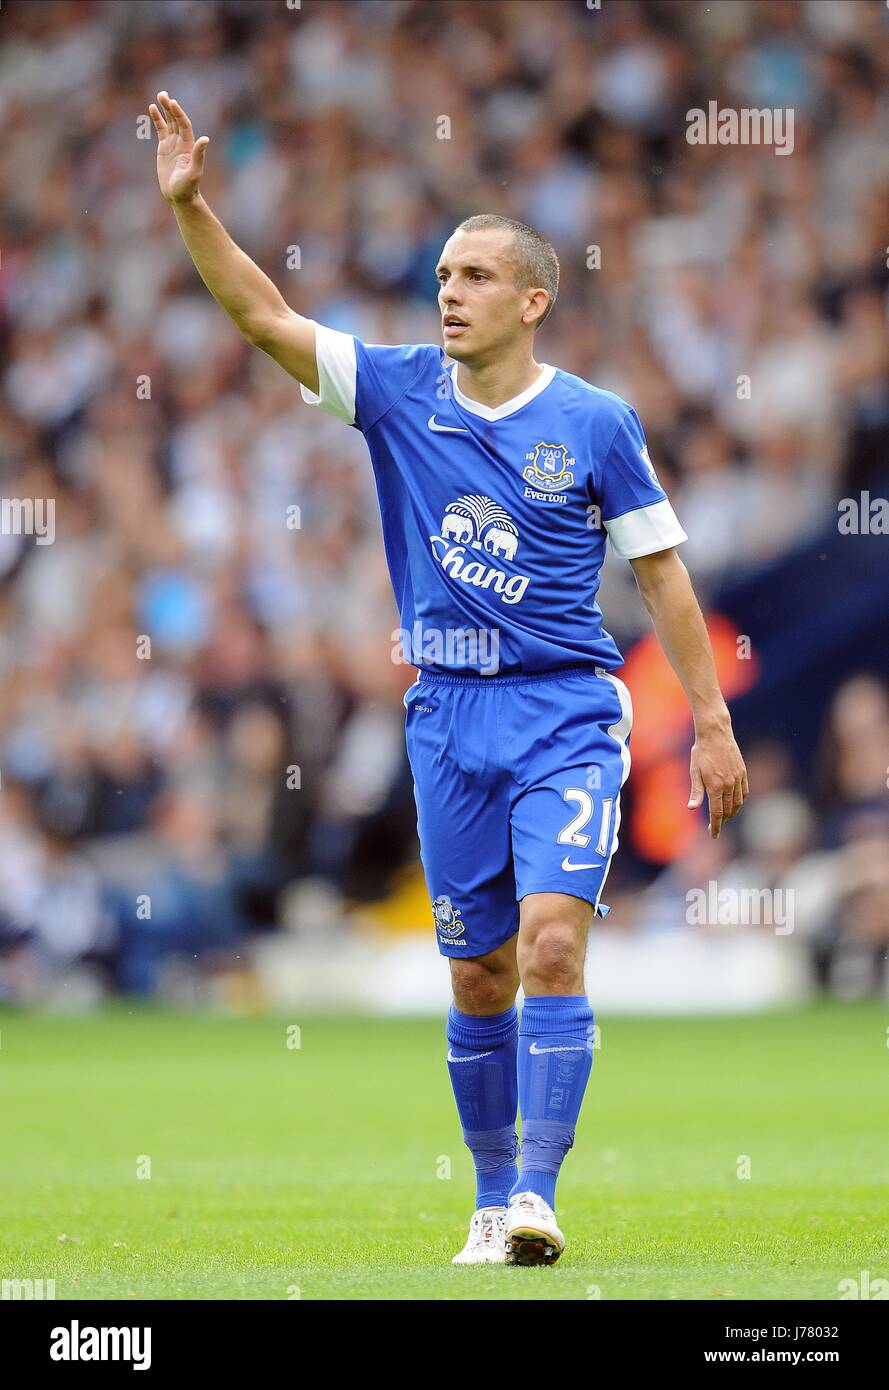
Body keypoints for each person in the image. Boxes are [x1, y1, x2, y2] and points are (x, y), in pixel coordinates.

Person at [151, 92, 748, 1267]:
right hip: (445, 717)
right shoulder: (395, 390)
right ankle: (486, 1200)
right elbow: (263, 316)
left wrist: (713, 723)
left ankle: (537, 1195)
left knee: (551, 947)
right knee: (478, 973)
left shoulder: (594, 423)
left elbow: (664, 579)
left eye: (475, 275)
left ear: (532, 300)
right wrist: (190, 207)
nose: (449, 292)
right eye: (441, 275)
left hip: (564, 712)